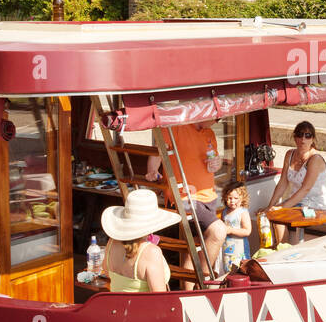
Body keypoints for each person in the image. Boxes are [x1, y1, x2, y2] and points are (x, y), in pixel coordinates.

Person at [143, 120, 228, 275]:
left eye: (218, 118)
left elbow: (214, 158)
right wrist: (152, 169)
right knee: (218, 231)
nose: (216, 121)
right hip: (185, 197)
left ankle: (189, 290)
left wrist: (217, 163)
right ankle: (205, 283)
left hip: (209, 195)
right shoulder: (174, 127)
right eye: (214, 117)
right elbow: (159, 150)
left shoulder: (209, 133)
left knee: (192, 247)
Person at [101, 189, 179, 293]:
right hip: (142, 309)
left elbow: (106, 272)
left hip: (115, 308)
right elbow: (159, 297)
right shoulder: (151, 252)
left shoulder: (112, 242)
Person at [267, 120, 326, 244]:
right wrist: (270, 205)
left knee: (277, 216)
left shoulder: (315, 159)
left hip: (316, 205)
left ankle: (282, 250)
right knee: (269, 213)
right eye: (300, 134)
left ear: (312, 139)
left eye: (307, 135)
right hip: (297, 201)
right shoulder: (289, 154)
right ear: (294, 137)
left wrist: (281, 208)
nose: (303, 139)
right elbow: (283, 183)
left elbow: (305, 189)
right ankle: (281, 248)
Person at [220, 182, 253, 273]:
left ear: (242, 198)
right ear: (225, 197)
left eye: (236, 198)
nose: (232, 201)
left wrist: (231, 230)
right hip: (227, 247)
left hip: (240, 247)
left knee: (240, 269)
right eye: (230, 198)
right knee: (228, 268)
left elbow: (247, 231)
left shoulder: (242, 212)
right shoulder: (225, 212)